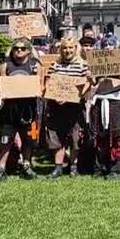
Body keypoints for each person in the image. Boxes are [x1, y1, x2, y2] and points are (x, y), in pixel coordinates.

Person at [0, 38, 44, 183]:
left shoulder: (35, 66)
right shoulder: (6, 66)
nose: (19, 51)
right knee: (5, 139)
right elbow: (0, 85)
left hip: (28, 109)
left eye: (22, 48)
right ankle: (1, 169)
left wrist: (37, 91)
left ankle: (27, 165)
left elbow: (42, 85)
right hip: (9, 109)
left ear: (28, 50)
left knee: (29, 139)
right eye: (16, 48)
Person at [44, 37, 91, 178]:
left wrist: (77, 94)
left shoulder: (83, 66)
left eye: (70, 47)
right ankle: (58, 167)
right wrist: (55, 96)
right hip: (56, 107)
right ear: (61, 49)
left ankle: (73, 167)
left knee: (75, 138)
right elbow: (49, 82)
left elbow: (87, 85)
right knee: (58, 137)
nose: (67, 50)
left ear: (75, 49)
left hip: (75, 107)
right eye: (64, 48)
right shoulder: (55, 65)